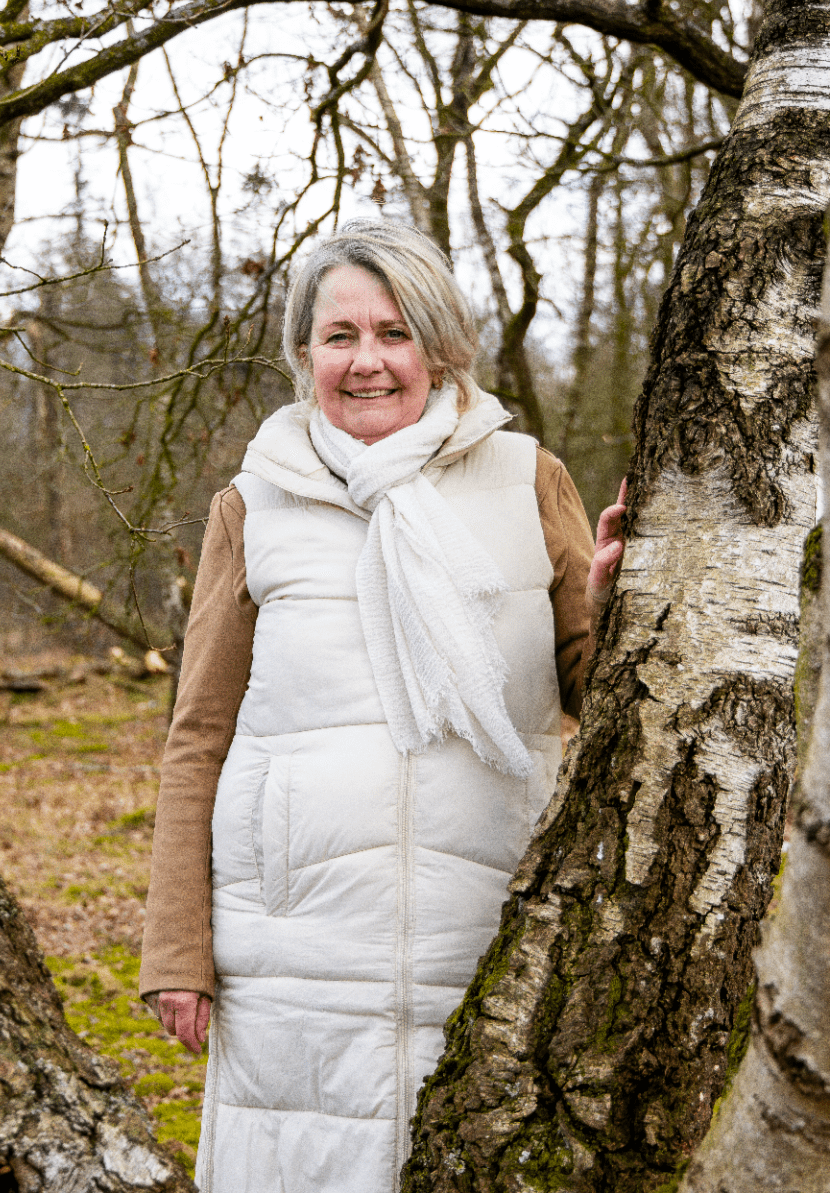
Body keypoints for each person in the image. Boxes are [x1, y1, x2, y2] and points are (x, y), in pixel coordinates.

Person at [137, 220, 625, 1192]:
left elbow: (598, 689)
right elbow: (199, 735)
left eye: (394, 332)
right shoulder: (255, 503)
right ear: (304, 354)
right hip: (293, 947)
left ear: (442, 346)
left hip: (488, 916)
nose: (367, 362)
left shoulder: (526, 478)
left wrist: (621, 607)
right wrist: (177, 945)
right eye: (340, 336)